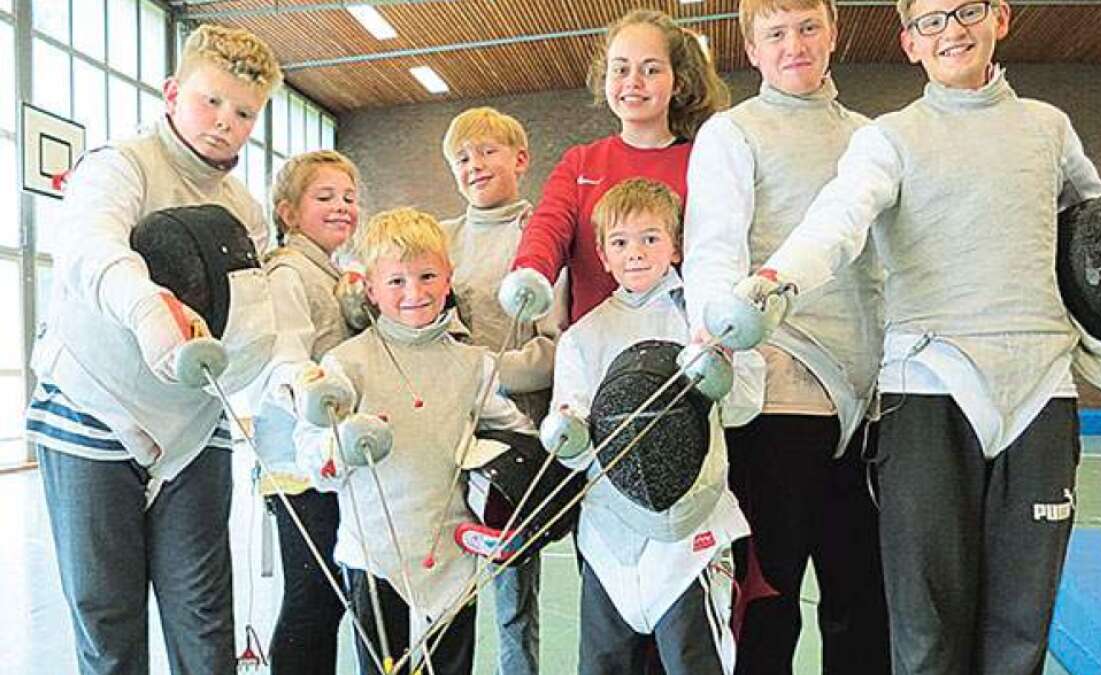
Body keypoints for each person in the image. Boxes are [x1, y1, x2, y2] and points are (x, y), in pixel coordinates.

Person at [733, 1, 1101, 672]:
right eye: (930, 20)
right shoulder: (888, 138)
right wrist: (776, 280)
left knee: (1019, 631)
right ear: (909, 43)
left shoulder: (1046, 128)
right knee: (924, 631)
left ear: (1000, 17)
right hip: (929, 392)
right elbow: (839, 220)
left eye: (967, 9)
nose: (952, 29)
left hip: (1039, 393)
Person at [24, 24, 282, 675]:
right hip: (91, 406)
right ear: (172, 92)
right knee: (107, 619)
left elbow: (260, 314)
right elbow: (88, 246)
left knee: (204, 620)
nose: (225, 123)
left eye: (244, 112)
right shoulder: (121, 163)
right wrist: (147, 309)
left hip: (192, 424)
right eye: (210, 101)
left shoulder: (246, 209)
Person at [682, 1, 890, 672]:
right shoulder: (731, 132)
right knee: (767, 604)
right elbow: (713, 252)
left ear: (834, 32)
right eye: (776, 33)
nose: (793, 44)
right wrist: (724, 330)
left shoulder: (872, 136)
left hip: (869, 408)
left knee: (863, 605)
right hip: (776, 403)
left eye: (807, 27)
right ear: (752, 46)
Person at [294, 207, 535, 675]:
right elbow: (312, 451)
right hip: (375, 556)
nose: (415, 293)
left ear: (448, 279)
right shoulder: (347, 363)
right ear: (370, 287)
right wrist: (335, 450)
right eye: (397, 281)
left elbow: (517, 432)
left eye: (427, 276)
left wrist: (546, 447)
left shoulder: (473, 364)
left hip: (452, 554)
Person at [549, 178, 763, 674]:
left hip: (691, 534)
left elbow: (747, 403)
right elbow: (573, 438)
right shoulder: (583, 337)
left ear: (676, 243)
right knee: (604, 665)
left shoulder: (706, 316)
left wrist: (726, 357)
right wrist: (568, 430)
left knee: (695, 664)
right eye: (621, 242)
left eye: (650, 238)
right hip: (608, 534)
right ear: (602, 254)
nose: (636, 253)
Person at [510, 8, 729, 325]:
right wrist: (530, 270)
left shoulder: (705, 160)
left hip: (685, 343)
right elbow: (549, 225)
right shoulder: (580, 162)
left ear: (678, 82)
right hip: (598, 348)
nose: (633, 82)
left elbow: (721, 248)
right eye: (621, 70)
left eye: (651, 70)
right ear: (606, 78)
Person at [439, 106, 561, 675]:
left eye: (487, 151)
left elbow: (551, 353)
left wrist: (481, 370)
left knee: (513, 595)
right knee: (441, 584)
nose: (474, 165)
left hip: (514, 443)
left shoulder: (545, 238)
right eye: (463, 157)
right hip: (441, 435)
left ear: (520, 158)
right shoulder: (438, 240)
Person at [252, 150, 363, 674]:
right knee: (312, 597)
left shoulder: (331, 273)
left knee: (325, 597)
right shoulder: (287, 273)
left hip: (325, 459)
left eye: (348, 197)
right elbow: (287, 359)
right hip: (296, 465)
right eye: (325, 197)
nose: (342, 207)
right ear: (288, 213)